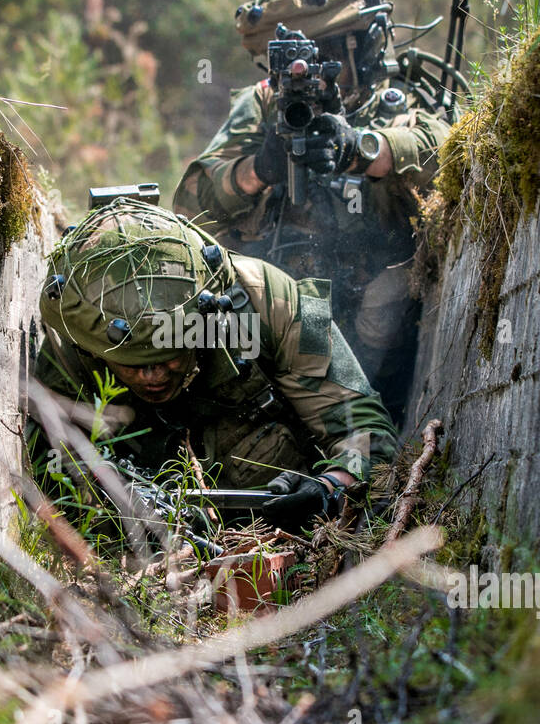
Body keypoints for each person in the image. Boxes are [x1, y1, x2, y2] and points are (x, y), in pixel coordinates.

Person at [173, 0, 451, 422]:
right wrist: (256, 170)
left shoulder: (397, 97)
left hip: (384, 315)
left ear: (360, 45)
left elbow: (446, 154)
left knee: (386, 307)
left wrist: (362, 149)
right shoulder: (262, 105)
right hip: (284, 312)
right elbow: (190, 205)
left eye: (326, 55)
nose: (312, 74)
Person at [30, 196, 397, 534]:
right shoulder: (75, 337)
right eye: (131, 364)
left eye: (166, 355)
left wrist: (332, 486)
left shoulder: (275, 300)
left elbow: (366, 426)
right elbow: (50, 474)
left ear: (205, 321)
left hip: (289, 534)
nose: (153, 375)